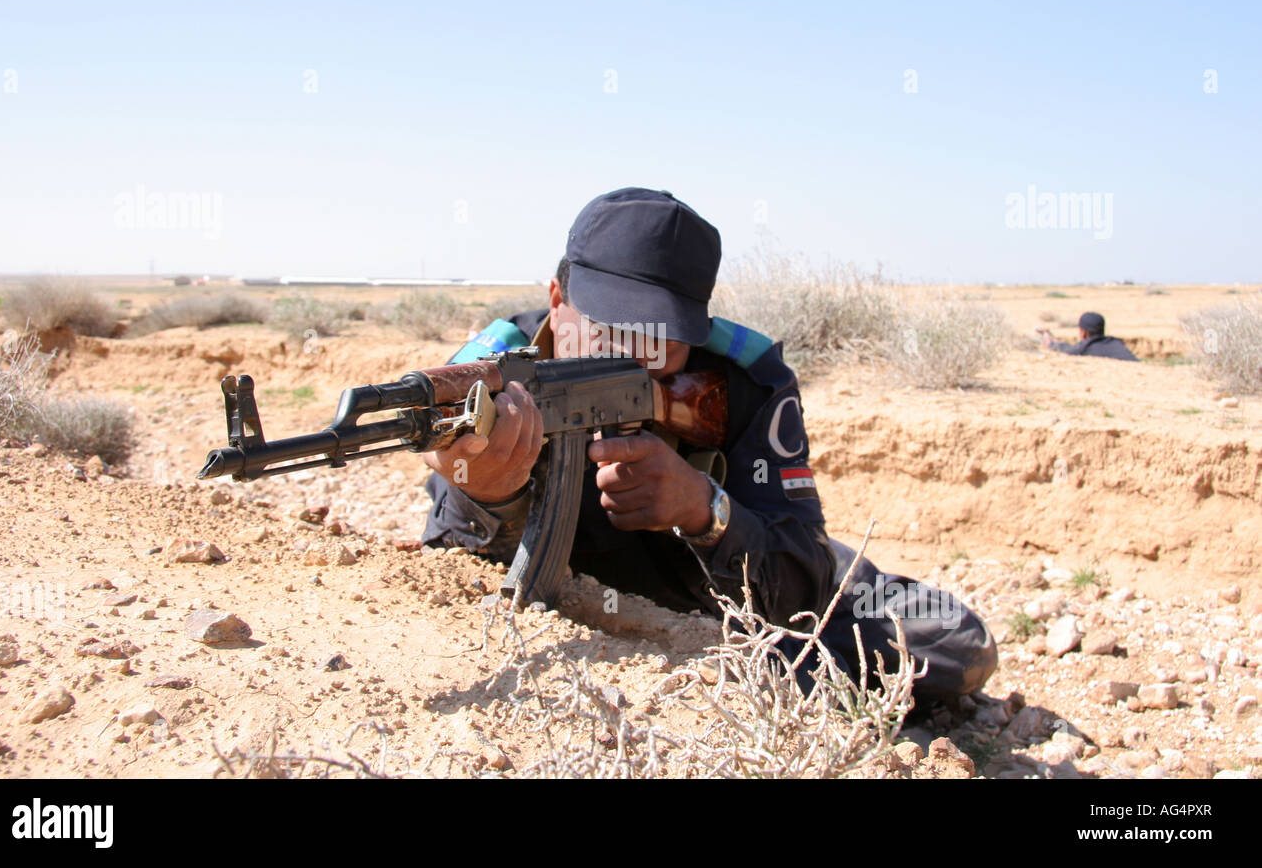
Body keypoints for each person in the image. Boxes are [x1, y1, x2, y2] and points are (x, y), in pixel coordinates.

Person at [420, 187, 997, 700]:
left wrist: (706, 510)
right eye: (611, 328)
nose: (637, 354)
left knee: (954, 642)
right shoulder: (491, 376)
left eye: (663, 336)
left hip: (722, 576)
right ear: (556, 298)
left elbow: (802, 584)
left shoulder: (744, 380)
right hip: (596, 593)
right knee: (777, 674)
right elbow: (454, 566)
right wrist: (489, 494)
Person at [1037, 311, 1139, 361]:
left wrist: (1047, 338)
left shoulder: (1085, 347)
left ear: (1083, 333)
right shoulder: (1115, 342)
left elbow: (1063, 349)